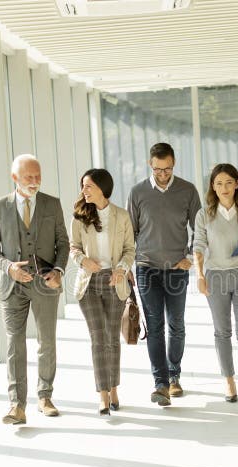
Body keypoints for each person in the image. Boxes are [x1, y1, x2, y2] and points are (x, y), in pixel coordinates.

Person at [0, 154, 69, 424]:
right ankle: (16, 405)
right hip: (12, 286)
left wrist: (58, 272)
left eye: (38, 176)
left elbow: (63, 243)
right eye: (28, 177)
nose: (35, 182)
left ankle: (44, 396)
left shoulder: (52, 204)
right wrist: (8, 267)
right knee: (14, 344)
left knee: (47, 341)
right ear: (15, 178)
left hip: (45, 283)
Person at [127, 142, 202, 406]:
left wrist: (190, 257)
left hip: (176, 269)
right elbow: (130, 234)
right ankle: (160, 383)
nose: (163, 174)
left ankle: (174, 376)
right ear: (151, 164)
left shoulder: (187, 191)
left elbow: (200, 228)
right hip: (147, 268)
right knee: (155, 325)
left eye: (167, 169)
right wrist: (128, 266)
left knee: (176, 325)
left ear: (174, 164)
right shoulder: (137, 193)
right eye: (158, 169)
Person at [194, 164, 238, 410]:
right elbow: (198, 247)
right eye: (218, 183)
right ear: (213, 186)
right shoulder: (204, 215)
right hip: (216, 277)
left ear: (236, 184)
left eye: (228, 182)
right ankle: (229, 382)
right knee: (222, 332)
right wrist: (200, 276)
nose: (224, 188)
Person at [70, 169, 135, 415]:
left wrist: (121, 269)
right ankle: (103, 394)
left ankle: (114, 388)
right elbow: (73, 247)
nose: (84, 191)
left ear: (102, 188)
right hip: (89, 283)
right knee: (98, 338)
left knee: (111, 338)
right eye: (83, 186)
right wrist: (83, 260)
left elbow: (130, 249)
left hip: (114, 282)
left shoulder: (122, 216)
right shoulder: (79, 217)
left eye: (88, 186)